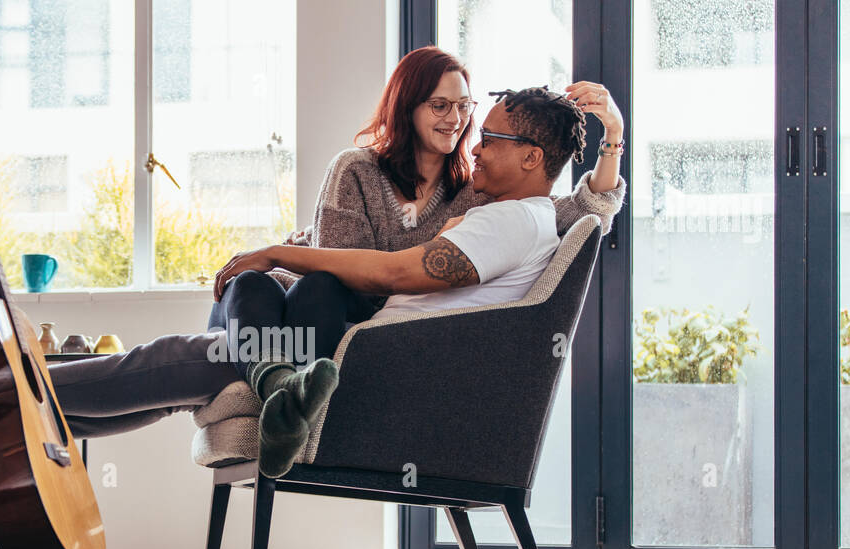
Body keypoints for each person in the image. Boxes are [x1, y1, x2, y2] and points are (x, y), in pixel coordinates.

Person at [52, 85, 614, 478]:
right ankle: (28, 420)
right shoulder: (521, 217)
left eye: (489, 136)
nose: (474, 145)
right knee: (200, 356)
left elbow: (397, 270)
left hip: (363, 367)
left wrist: (276, 252)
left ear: (531, 158)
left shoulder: (513, 219)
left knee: (180, 357)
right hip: (361, 357)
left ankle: (18, 392)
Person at [205, 47, 625, 383]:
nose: (457, 119)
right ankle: (275, 383)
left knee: (307, 289)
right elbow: (331, 264)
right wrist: (283, 252)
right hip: (319, 307)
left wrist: (613, 136)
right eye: (440, 105)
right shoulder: (356, 169)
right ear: (407, 106)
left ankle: (281, 387)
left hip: (358, 321)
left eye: (464, 105)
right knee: (254, 285)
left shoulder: (478, 190)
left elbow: (585, 215)